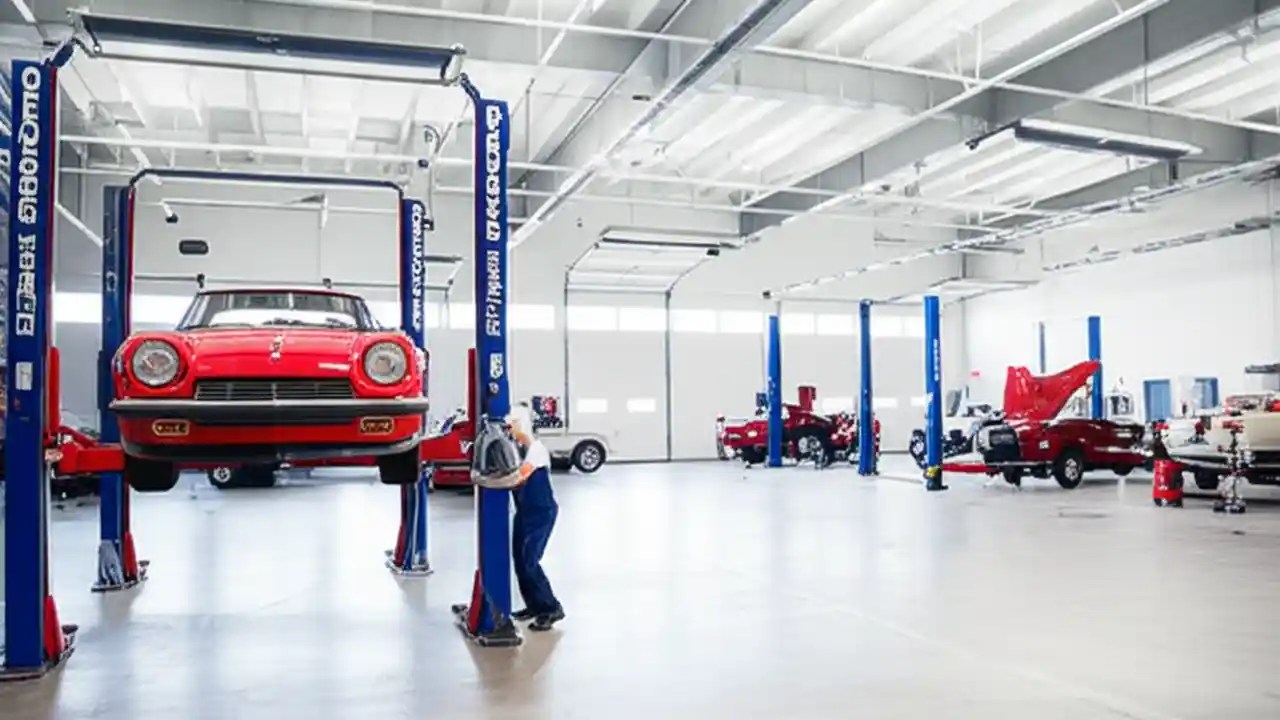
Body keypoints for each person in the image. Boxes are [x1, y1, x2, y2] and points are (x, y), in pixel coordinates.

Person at [506, 403, 564, 631]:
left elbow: (520, 476)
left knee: (530, 560)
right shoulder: (516, 447)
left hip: (541, 512)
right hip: (525, 511)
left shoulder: (536, 449)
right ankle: (534, 605)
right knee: (520, 561)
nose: (510, 428)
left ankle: (551, 608)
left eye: (513, 423)